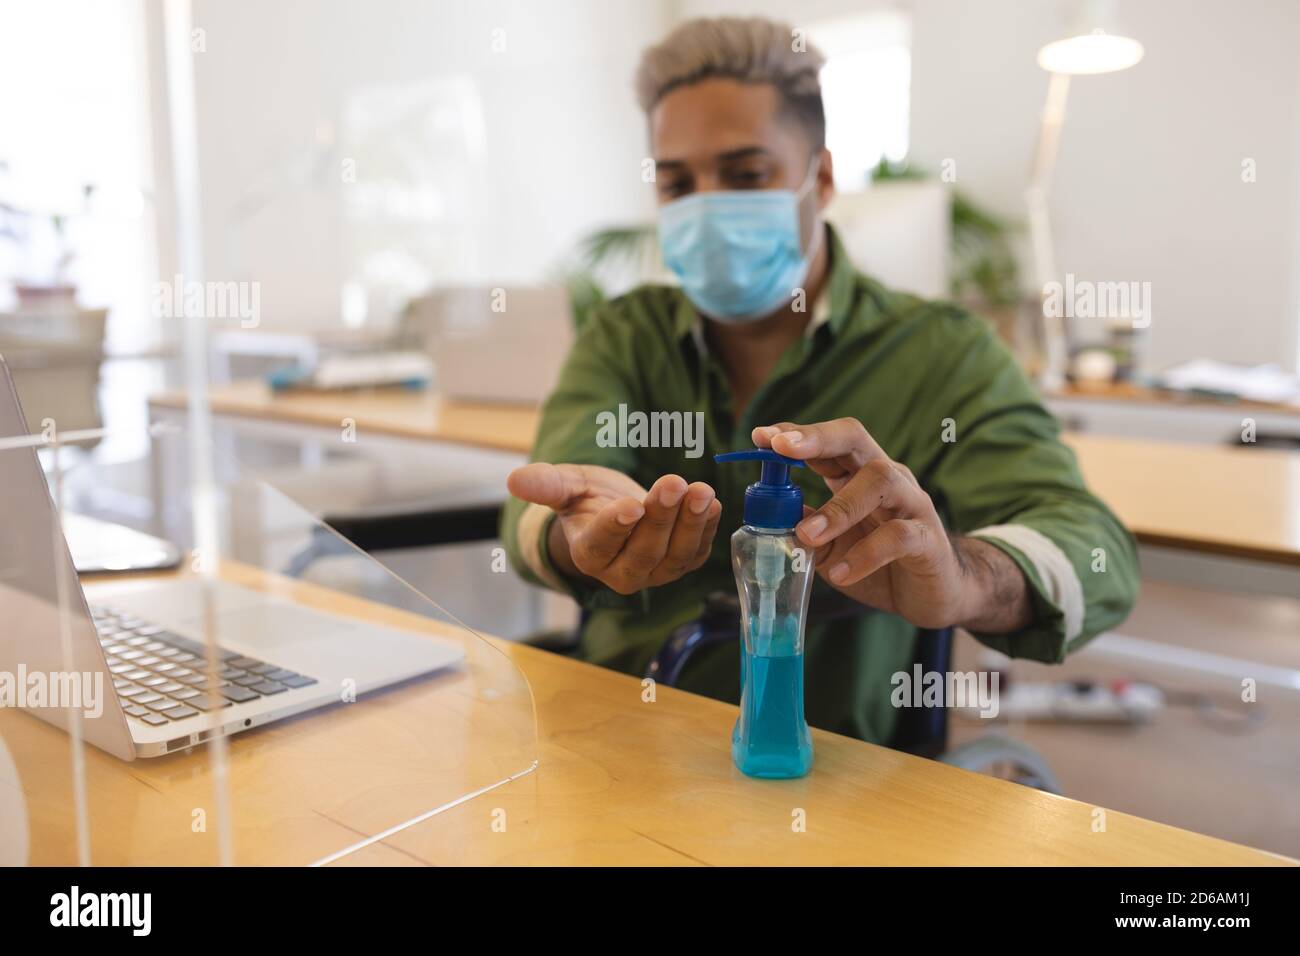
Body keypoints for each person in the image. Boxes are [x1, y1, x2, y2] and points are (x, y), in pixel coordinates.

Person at [501, 16, 1137, 744]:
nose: (706, 207)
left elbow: (1095, 549)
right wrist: (571, 534)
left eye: (745, 175)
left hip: (833, 766)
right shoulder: (626, 334)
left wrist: (963, 576)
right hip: (623, 736)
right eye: (678, 183)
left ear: (823, 179)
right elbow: (540, 509)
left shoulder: (940, 353)